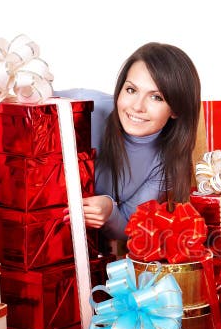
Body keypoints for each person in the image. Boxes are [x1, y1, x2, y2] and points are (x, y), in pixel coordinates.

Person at [60, 42, 202, 240]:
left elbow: (128, 226)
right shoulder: (86, 107)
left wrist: (109, 210)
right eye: (131, 90)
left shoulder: (165, 163)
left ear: (176, 110)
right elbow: (28, 99)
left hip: (80, 250)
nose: (137, 106)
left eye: (156, 97)